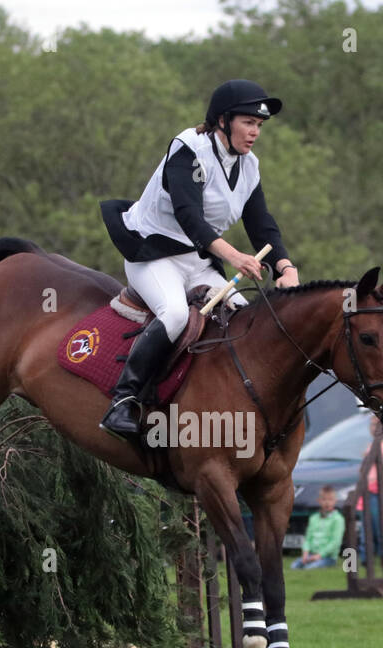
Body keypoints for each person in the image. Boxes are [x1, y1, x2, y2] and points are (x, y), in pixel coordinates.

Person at [98, 79, 299, 439]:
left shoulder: (249, 166)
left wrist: (286, 267)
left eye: (259, 126)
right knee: (175, 315)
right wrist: (236, 256)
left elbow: (262, 224)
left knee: (245, 320)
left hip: (196, 261)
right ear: (223, 120)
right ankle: (123, 401)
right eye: (248, 123)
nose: (255, 132)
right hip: (153, 253)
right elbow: (189, 215)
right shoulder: (189, 148)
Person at [356, 417, 383, 562]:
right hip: (368, 490)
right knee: (367, 527)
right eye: (372, 425)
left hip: (381, 492)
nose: (374, 428)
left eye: (377, 425)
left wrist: (375, 458)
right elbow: (364, 469)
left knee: (381, 526)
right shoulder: (371, 445)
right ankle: (366, 558)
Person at [292, 486, 345, 569]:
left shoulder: (338, 519)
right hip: (311, 554)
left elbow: (335, 542)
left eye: (330, 500)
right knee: (294, 566)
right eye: (324, 499)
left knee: (310, 568)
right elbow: (308, 538)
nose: (327, 503)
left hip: (328, 557)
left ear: (335, 501)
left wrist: (320, 555)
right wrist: (305, 553)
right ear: (319, 501)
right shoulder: (314, 518)